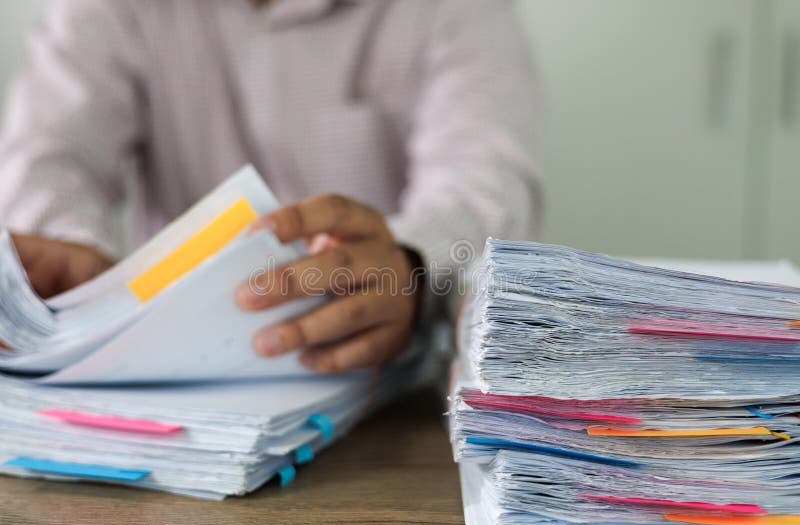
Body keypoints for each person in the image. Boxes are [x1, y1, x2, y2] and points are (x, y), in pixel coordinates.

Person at [0, 0, 541, 373]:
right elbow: (47, 158)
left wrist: (411, 264)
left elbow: (487, 189)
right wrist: (93, 286)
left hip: (393, 391)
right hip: (165, 368)